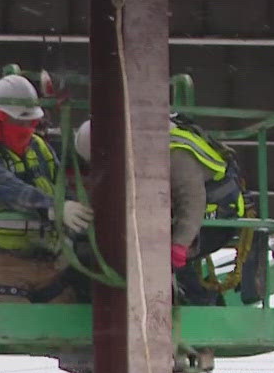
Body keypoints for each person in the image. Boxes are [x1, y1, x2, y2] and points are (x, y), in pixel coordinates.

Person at [74, 115, 252, 306]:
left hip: (215, 220)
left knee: (164, 255)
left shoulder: (174, 153)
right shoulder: (142, 145)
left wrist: (180, 244)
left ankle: (199, 303)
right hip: (185, 215)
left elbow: (192, 200)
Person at [0, 73, 93, 303]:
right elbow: (8, 189)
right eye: (20, 122)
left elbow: (60, 188)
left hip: (46, 261)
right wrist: (53, 207)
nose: (27, 129)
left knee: (70, 314)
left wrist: (74, 210)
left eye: (32, 123)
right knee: (12, 318)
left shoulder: (40, 149)